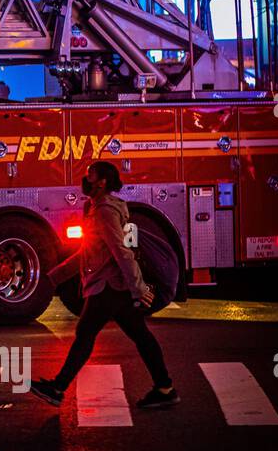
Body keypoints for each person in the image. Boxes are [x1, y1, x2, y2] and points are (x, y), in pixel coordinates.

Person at [30, 161, 178, 409]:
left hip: (109, 286)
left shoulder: (105, 211)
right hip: (111, 285)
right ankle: (165, 387)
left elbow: (120, 251)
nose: (86, 180)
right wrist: (58, 274)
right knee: (140, 336)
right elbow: (91, 250)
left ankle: (57, 388)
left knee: (86, 334)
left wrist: (138, 287)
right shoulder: (96, 208)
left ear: (102, 182)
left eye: (91, 176)